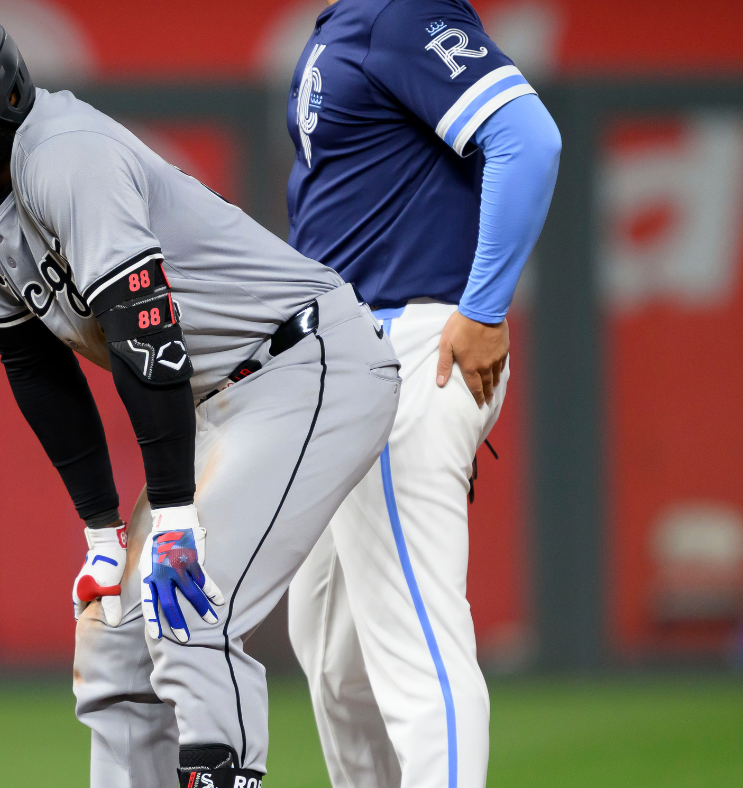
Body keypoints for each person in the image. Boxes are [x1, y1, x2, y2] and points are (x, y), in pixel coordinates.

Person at [0, 8, 400, 786]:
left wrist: (176, 518)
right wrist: (100, 533)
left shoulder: (66, 156)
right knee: (114, 637)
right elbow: (34, 364)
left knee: (187, 601)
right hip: (214, 401)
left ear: (6, 88)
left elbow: (143, 336)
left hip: (307, 364)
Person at [282, 1, 561, 787]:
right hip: (339, 367)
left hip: (401, 351)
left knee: (416, 651)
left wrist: (484, 308)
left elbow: (528, 136)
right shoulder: (348, 23)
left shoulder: (397, 11)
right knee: (338, 662)